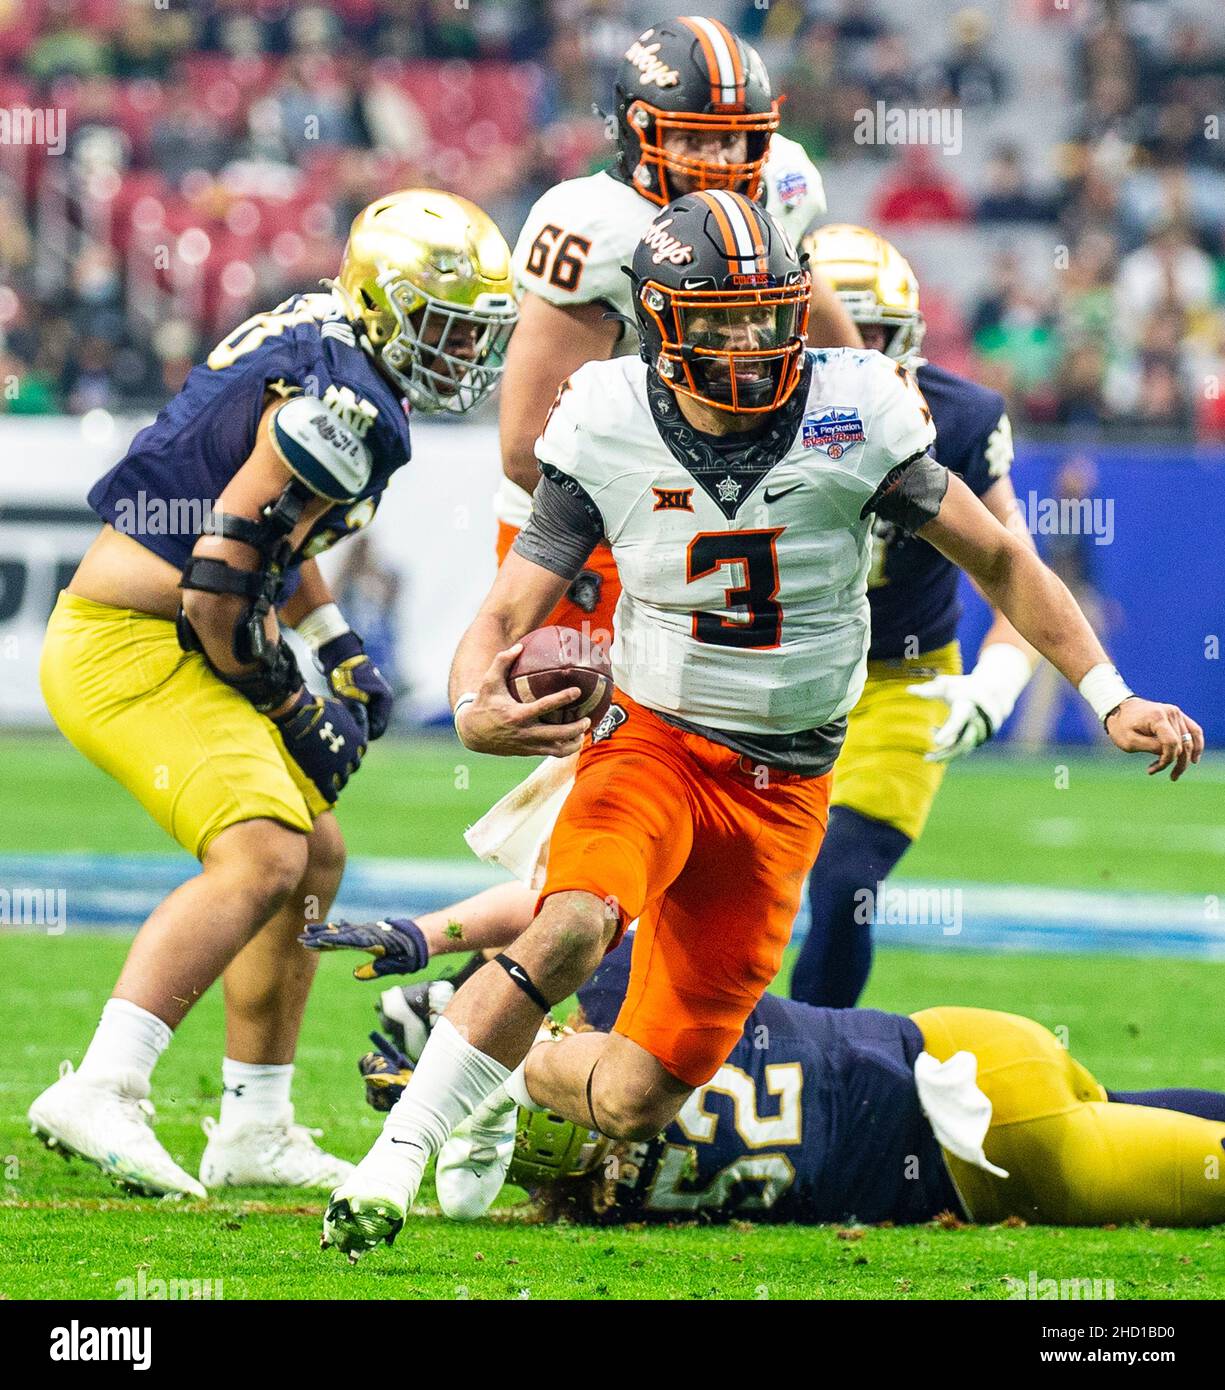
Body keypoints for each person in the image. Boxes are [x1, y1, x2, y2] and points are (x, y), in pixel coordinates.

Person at [319, 189, 1201, 1261]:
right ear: (659, 320)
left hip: (784, 788)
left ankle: (504, 1066)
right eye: (719, 319)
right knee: (574, 922)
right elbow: (506, 608)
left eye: (765, 314)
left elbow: (1003, 556)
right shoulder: (604, 415)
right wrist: (473, 701)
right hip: (655, 738)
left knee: (641, 1096)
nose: (747, 341)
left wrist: (1110, 695)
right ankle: (391, 1164)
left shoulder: (857, 406)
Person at [27, 189, 518, 1199]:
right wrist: (300, 706)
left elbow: (270, 533)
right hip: (134, 641)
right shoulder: (350, 400)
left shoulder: (326, 344)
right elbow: (218, 589)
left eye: (477, 333)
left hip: (153, 627)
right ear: (386, 304)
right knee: (262, 851)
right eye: (445, 326)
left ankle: (254, 1122)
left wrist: (334, 644)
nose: (462, 354)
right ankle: (105, 1083)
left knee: (314, 855)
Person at [362, 936, 1225, 1230]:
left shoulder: (617, 1201)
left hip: (986, 1155)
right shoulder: (623, 994)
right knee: (1118, 1111)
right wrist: (454, 1005)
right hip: (961, 1052)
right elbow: (548, 944)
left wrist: (444, 1086)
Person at [496, 14, 861, 648]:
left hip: (727, 495)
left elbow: (815, 310)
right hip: (594, 519)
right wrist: (668, 522)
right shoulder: (594, 227)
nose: (722, 162)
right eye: (696, 139)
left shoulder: (784, 181)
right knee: (587, 720)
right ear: (640, 130)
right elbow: (528, 446)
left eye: (735, 140)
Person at [791, 223, 1035, 1007]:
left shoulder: (957, 420)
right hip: (774, 675)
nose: (859, 358)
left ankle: (808, 1072)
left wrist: (995, 684)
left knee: (842, 884)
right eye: (841, 334)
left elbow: (1014, 568)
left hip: (903, 684)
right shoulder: (743, 413)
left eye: (877, 338)